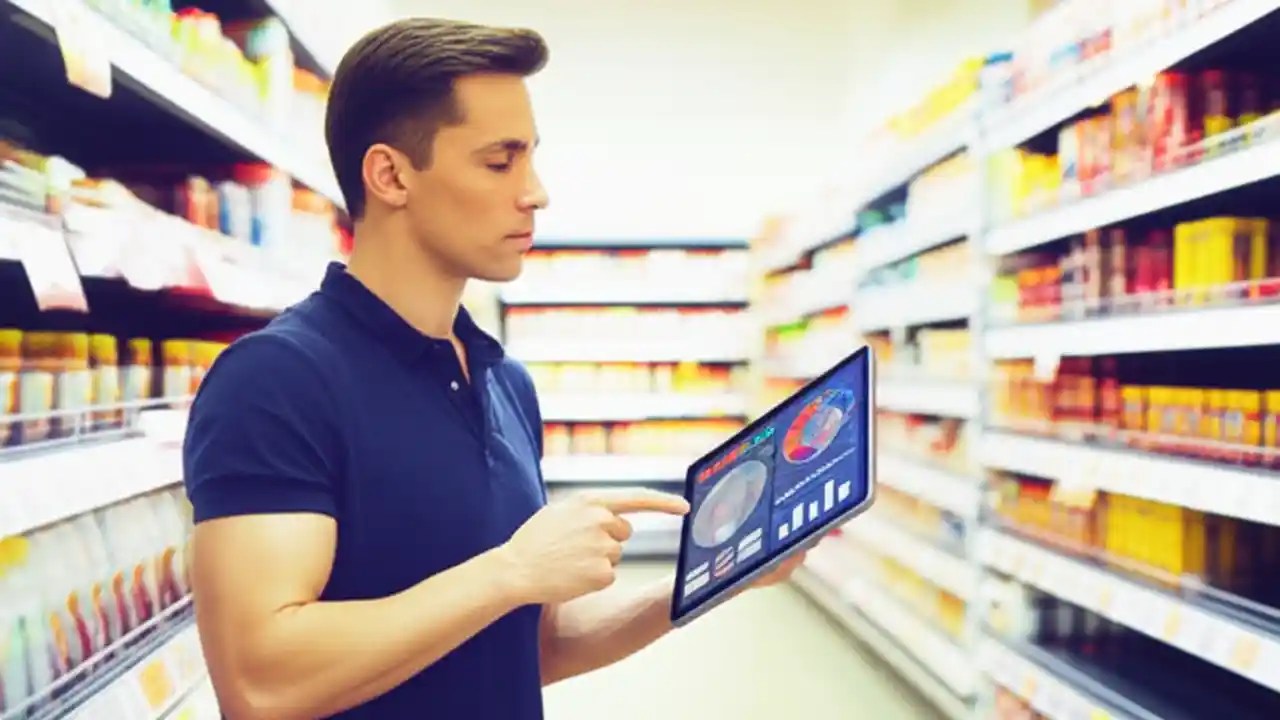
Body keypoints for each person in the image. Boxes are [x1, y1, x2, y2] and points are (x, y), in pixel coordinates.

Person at [183, 17, 803, 720]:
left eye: (532, 158)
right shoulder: (275, 380)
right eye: (500, 161)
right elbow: (261, 680)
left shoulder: (505, 384)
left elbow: (528, 647)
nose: (536, 192)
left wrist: (708, 578)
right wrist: (509, 572)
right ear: (390, 175)